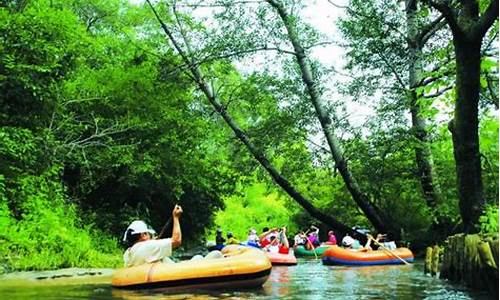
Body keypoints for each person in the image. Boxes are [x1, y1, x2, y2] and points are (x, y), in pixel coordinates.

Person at [122, 204, 222, 267]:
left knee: (198, 257)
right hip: (179, 274)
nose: (150, 236)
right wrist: (176, 217)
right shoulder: (148, 247)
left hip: (168, 271)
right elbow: (176, 240)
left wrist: (153, 241)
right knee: (216, 254)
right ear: (143, 235)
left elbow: (148, 249)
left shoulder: (128, 254)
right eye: (148, 234)